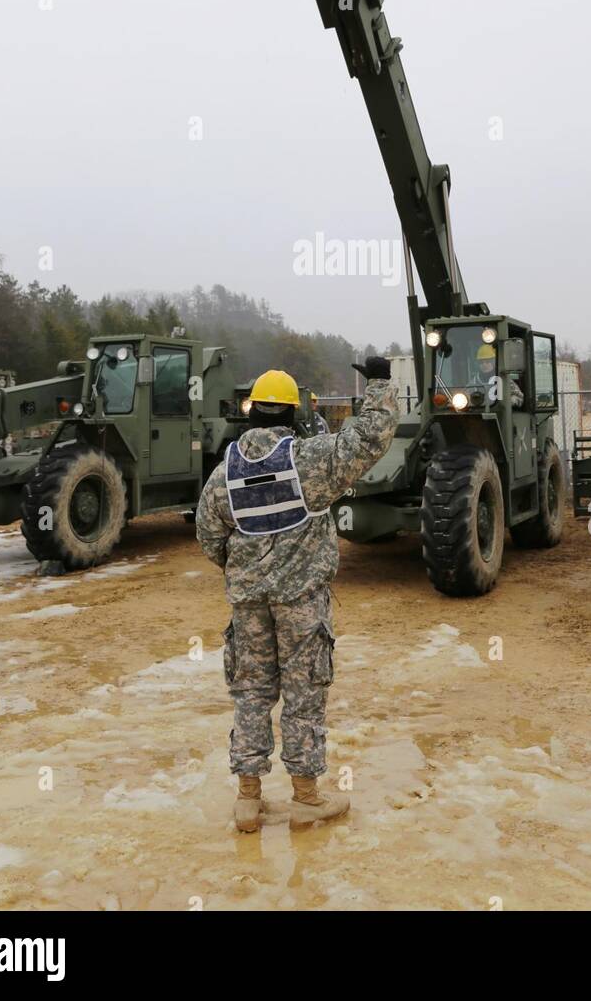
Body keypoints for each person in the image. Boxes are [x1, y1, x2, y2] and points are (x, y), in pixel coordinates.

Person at [195, 355, 398, 832]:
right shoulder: (310, 460)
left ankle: (248, 800)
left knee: (251, 693)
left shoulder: (224, 472)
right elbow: (369, 438)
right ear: (293, 414)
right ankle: (306, 799)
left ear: (250, 412)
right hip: (301, 604)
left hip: (248, 606)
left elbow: (208, 536)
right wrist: (380, 383)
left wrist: (244, 570)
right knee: (304, 695)